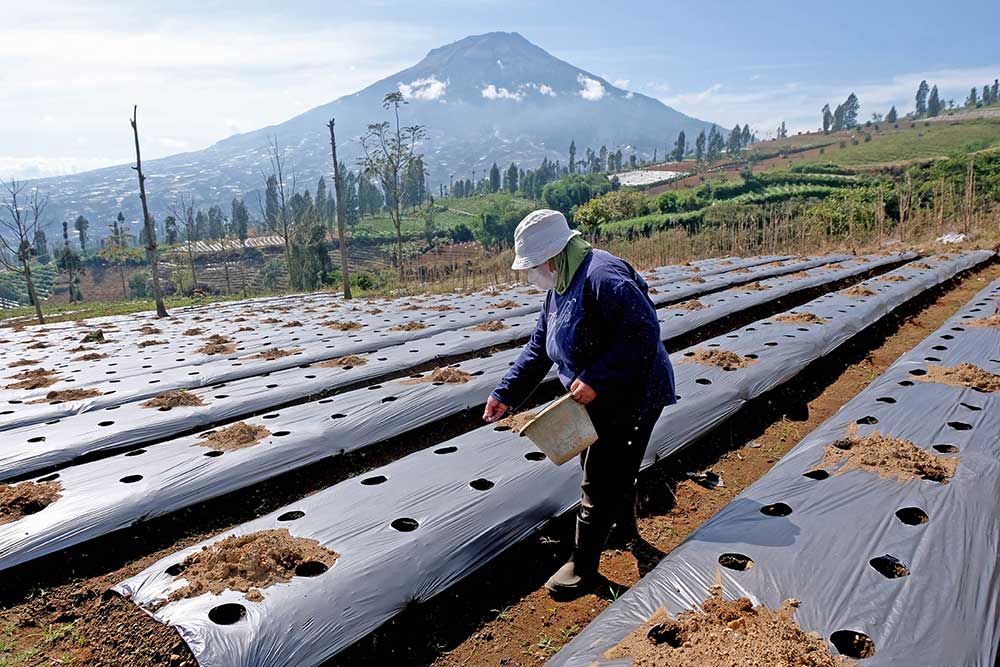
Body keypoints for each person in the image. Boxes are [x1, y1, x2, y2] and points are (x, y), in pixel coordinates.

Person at [483, 209, 675, 594]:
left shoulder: (603, 276)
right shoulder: (560, 286)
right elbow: (540, 346)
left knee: (599, 478)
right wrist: (505, 393)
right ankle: (622, 531)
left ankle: (582, 566)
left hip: (632, 394)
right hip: (591, 396)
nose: (532, 274)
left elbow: (643, 332)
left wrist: (597, 378)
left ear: (553, 257)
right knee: (604, 464)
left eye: (534, 266)